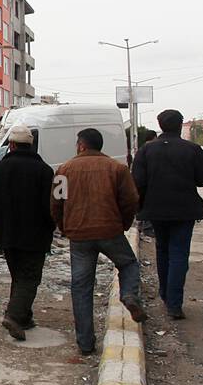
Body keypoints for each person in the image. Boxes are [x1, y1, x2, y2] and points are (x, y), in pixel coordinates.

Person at [51, 128, 146, 356]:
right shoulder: (117, 169)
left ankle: (85, 343)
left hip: (79, 235)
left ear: (81, 145)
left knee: (81, 287)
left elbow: (56, 204)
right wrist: (122, 223)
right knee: (128, 264)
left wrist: (65, 227)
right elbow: (131, 200)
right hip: (109, 230)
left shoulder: (64, 170)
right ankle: (129, 294)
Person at [132, 110, 203, 320]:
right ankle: (174, 304)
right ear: (179, 125)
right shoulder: (192, 149)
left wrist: (139, 208)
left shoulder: (146, 151)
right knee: (179, 254)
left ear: (160, 125)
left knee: (163, 251)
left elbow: (137, 182)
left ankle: (166, 295)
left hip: (156, 210)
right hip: (185, 210)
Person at [0, 124, 56, 340]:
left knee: (18, 275)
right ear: (30, 145)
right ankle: (14, 315)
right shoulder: (44, 171)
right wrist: (50, 228)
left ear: (11, 145)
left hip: (6, 234)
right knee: (30, 277)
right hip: (35, 235)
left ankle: (24, 316)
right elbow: (48, 207)